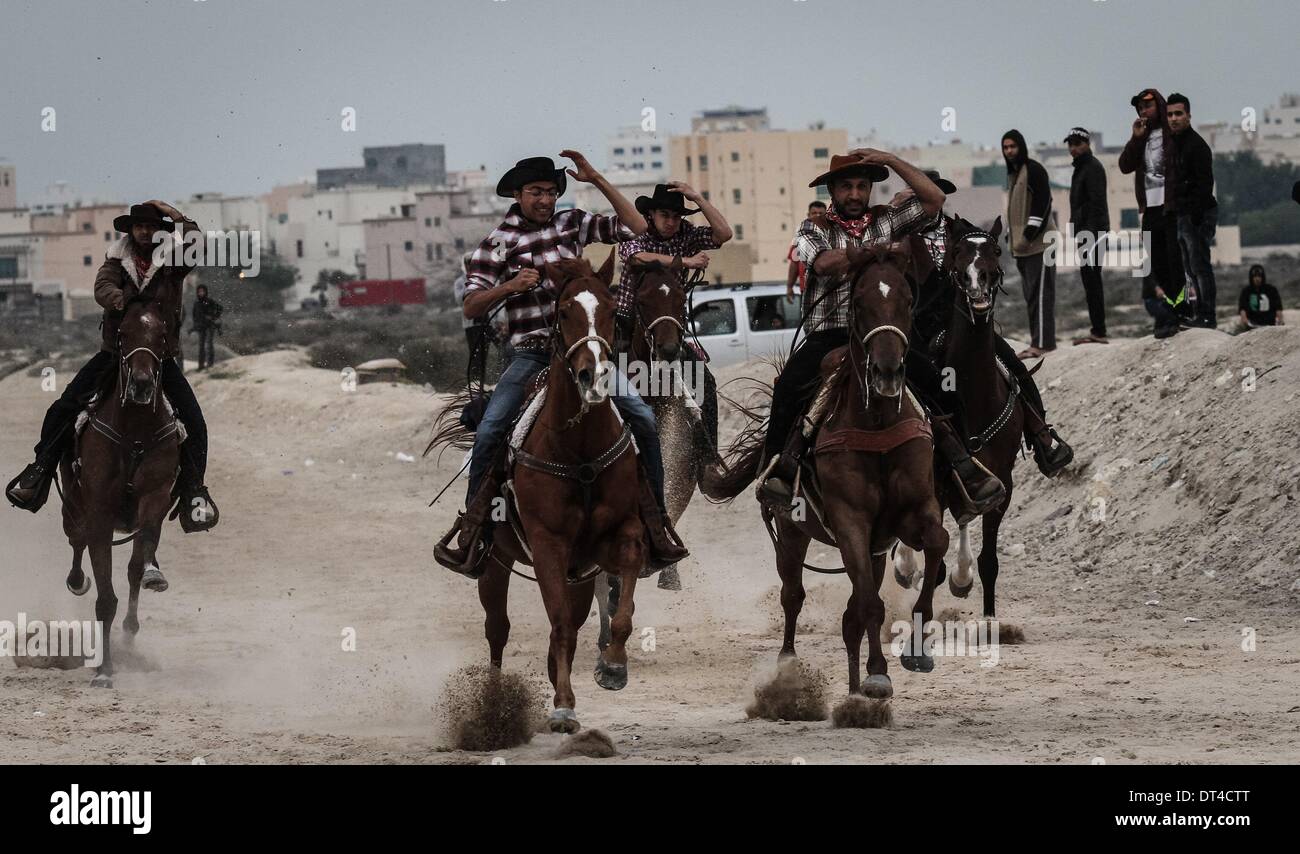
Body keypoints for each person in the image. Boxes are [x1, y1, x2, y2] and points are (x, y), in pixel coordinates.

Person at [433, 153, 688, 576]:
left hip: (587, 351)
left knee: (642, 416)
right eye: (536, 192)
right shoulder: (498, 242)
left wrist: (598, 180)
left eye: (551, 192)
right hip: (532, 355)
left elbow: (638, 227)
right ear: (517, 194)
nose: (546, 200)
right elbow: (471, 304)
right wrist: (511, 286)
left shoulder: (573, 222)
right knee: (492, 428)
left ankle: (656, 523)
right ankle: (476, 530)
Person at [757, 150, 1003, 514]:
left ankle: (964, 468)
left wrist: (892, 160)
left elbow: (934, 199)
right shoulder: (815, 228)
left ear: (870, 189)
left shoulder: (887, 219)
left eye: (861, 187)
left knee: (940, 387)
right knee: (788, 389)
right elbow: (823, 263)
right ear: (832, 191)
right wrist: (874, 250)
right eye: (846, 187)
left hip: (885, 333)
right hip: (831, 334)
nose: (854, 195)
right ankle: (777, 469)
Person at [5, 201, 219, 531]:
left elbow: (197, 246)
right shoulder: (116, 259)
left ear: (159, 230)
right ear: (130, 230)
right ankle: (39, 472)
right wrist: (125, 303)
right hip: (115, 353)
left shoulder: (172, 263)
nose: (145, 232)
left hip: (160, 357)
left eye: (151, 226)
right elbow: (102, 287)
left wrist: (178, 217)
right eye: (139, 227)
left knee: (194, 421)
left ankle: (194, 492)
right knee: (63, 407)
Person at [907, 171, 1074, 483]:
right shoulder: (904, 239)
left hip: (967, 321)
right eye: (920, 199)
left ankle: (1041, 434)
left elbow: (985, 257)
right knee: (917, 381)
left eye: (933, 196)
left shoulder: (962, 232)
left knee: (1011, 362)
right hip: (922, 327)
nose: (928, 205)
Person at [615, 181, 731, 450]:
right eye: (664, 215)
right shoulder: (640, 235)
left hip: (668, 327)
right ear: (651, 216)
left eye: (676, 216)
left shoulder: (686, 235)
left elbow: (724, 234)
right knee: (599, 381)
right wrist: (684, 262)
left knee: (706, 384)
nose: (671, 221)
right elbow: (636, 257)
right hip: (626, 325)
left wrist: (698, 198)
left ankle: (708, 457)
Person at [1119, 88, 1188, 339]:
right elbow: (1125, 165)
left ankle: (1182, 311)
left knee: (1174, 260)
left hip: (1171, 207)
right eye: (1139, 108)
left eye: (1147, 106)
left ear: (1158, 106)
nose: (1143, 111)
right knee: (1156, 262)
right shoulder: (1143, 136)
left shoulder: (1172, 133)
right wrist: (1136, 138)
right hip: (1150, 208)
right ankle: (1167, 315)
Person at [1001, 130, 1058, 358]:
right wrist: (1010, 237)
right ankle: (1038, 340)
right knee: (1031, 296)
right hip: (1022, 249)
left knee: (1042, 294)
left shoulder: (1033, 170)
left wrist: (1028, 235)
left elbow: (1043, 204)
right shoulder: (1014, 175)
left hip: (1040, 245)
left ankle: (1043, 344)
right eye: (1005, 147)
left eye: (1013, 146)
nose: (1009, 151)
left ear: (1021, 147)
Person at [1167, 93, 1220, 329]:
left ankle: (1207, 315)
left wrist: (1196, 215)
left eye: (1178, 113)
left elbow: (1204, 183)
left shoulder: (1197, 146)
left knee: (1200, 265)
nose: (1174, 119)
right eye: (1170, 114)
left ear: (1188, 115)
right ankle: (1200, 313)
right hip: (1182, 215)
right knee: (1189, 267)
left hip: (1197, 214)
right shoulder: (1175, 144)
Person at [1064, 127, 1110, 345]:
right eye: (1070, 144)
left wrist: (1090, 234)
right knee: (1089, 282)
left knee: (1093, 281)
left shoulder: (1092, 167)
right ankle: (1097, 330)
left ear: (1087, 144)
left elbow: (1096, 203)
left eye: (1077, 144)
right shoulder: (1081, 168)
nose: (1073, 149)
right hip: (1086, 232)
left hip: (1093, 233)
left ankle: (1099, 331)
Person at [453, 252, 492, 385]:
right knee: (476, 354)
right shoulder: (460, 282)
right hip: (472, 324)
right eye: (468, 263)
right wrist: (470, 286)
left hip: (488, 321)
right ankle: (476, 382)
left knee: (497, 351)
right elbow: (460, 300)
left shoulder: (486, 278)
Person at [786, 201, 827, 304]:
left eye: (821, 213)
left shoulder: (832, 235)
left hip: (828, 290)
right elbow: (794, 264)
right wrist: (789, 287)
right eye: (814, 213)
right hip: (806, 290)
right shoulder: (800, 237)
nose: (817, 216)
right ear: (808, 215)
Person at [1237, 265, 1283, 330]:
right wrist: (1244, 320)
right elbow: (1242, 308)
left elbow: (1278, 307)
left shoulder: (1271, 290)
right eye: (1255, 276)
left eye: (1259, 276)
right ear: (1251, 278)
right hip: (1252, 324)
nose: (1257, 279)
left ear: (1263, 277)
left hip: (1270, 324)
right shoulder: (1246, 291)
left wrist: (1280, 320)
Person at [191, 284, 223, 371]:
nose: (201, 293)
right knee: (201, 346)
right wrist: (195, 326)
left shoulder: (209, 301)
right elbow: (194, 316)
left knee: (209, 345)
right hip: (201, 327)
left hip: (209, 326)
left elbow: (220, 308)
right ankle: (201, 365)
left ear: (205, 292)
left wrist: (213, 316)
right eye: (199, 291)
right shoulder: (196, 303)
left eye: (202, 291)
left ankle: (210, 364)